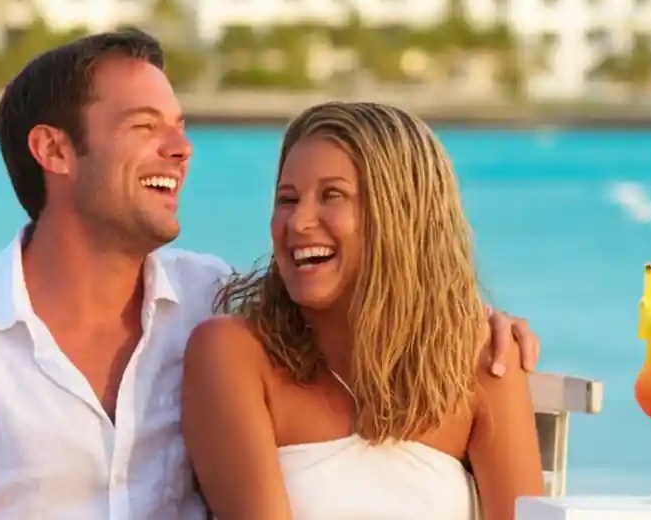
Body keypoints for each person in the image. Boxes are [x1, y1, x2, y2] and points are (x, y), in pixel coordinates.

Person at [0, 29, 541, 519]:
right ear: (55, 150)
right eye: (145, 125)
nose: (181, 148)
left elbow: (365, 306)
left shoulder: (206, 301)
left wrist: (473, 319)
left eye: (180, 127)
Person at [181, 100, 545, 520]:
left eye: (331, 195)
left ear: (400, 215)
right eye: (287, 198)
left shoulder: (485, 357)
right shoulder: (234, 353)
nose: (298, 221)